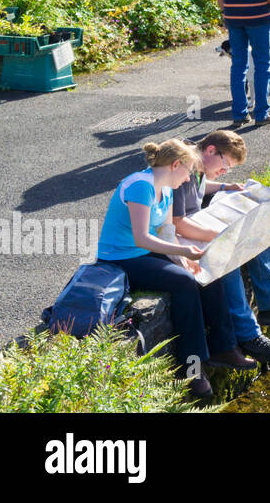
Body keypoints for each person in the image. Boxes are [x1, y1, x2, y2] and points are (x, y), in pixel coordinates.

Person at [95, 139, 253, 399]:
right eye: (188, 171)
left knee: (204, 271)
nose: (190, 177)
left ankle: (224, 347)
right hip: (121, 258)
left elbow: (167, 232)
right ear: (175, 164)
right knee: (184, 283)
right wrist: (182, 253)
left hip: (146, 251)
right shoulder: (140, 186)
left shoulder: (167, 189)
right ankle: (192, 369)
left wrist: (184, 260)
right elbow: (141, 238)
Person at [172, 131, 270, 365]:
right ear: (210, 150)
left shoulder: (198, 165)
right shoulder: (183, 168)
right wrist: (219, 234)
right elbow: (176, 222)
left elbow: (201, 185)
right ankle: (249, 335)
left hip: (196, 226)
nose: (225, 170)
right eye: (225, 164)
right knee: (226, 257)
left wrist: (225, 186)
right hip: (178, 239)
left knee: (256, 230)